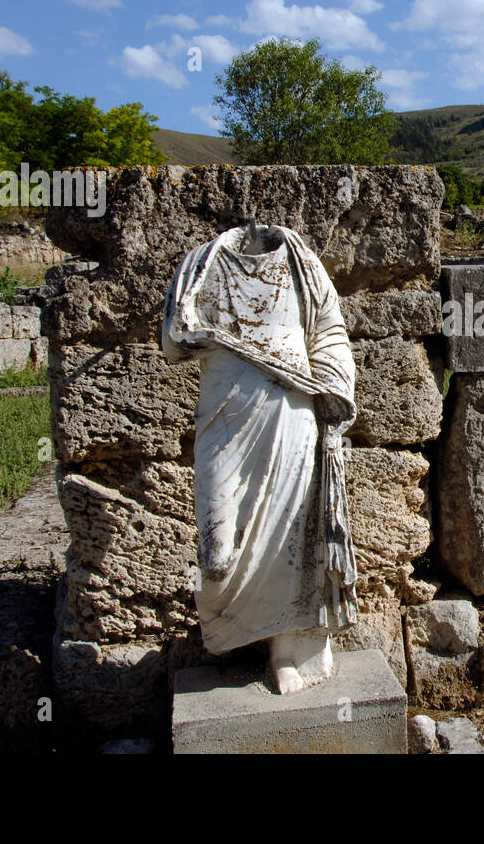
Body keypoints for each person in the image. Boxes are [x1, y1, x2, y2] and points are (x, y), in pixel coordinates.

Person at [162, 222, 357, 694]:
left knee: (294, 536)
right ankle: (235, 633)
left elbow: (329, 330)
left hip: (293, 416)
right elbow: (171, 343)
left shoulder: (300, 261)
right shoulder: (201, 265)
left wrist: (332, 390)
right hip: (225, 421)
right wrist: (204, 335)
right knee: (217, 553)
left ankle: (289, 649)